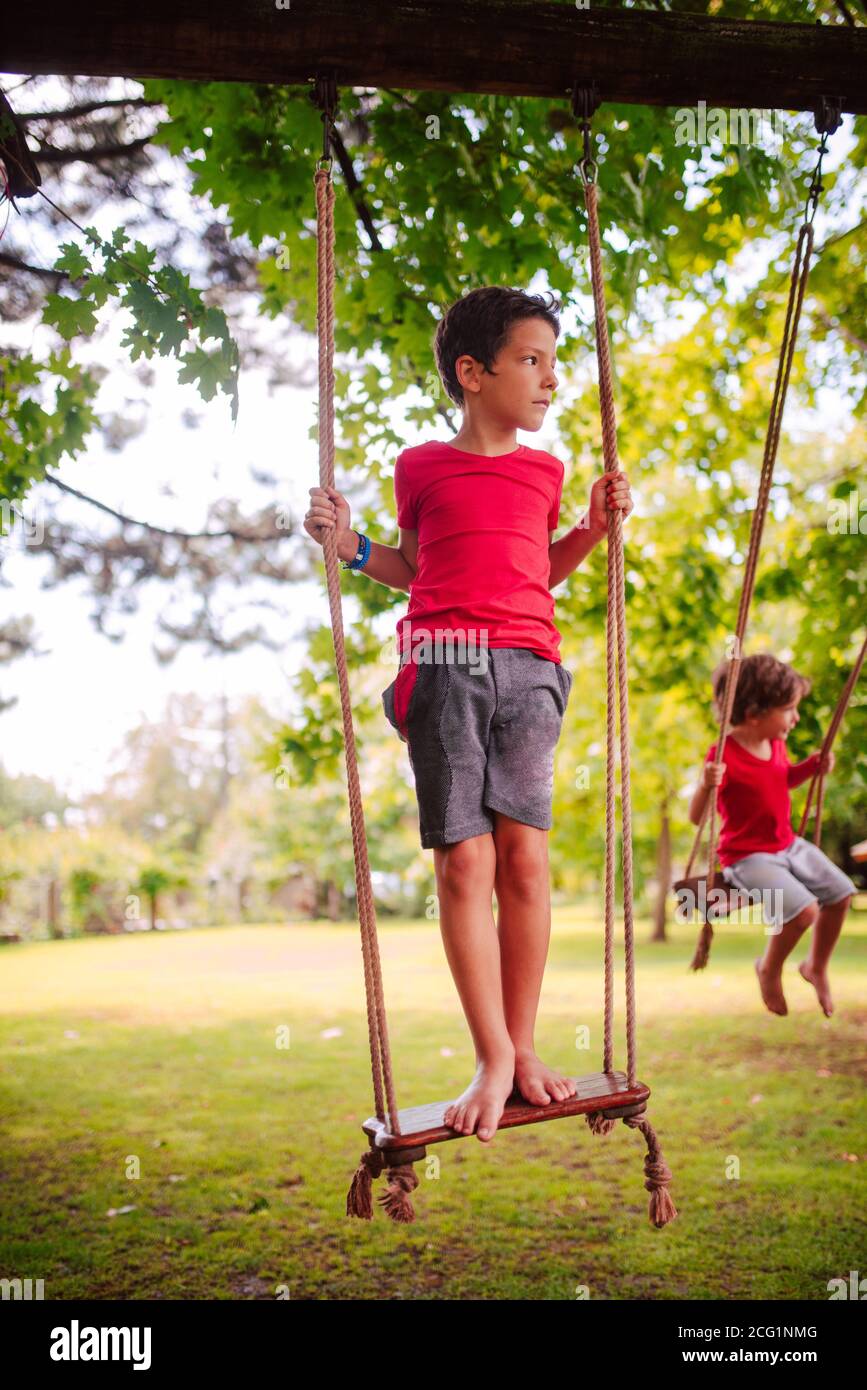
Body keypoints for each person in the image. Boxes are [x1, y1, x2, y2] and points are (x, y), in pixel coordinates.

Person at [305, 285, 632, 1143]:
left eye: (553, 364)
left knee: (524, 861)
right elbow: (416, 566)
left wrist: (593, 530)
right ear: (472, 373)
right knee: (465, 864)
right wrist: (348, 545)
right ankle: (491, 1054)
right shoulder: (420, 466)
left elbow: (537, 573)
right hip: (445, 663)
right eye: (532, 360)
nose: (550, 380)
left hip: (530, 667)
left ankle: (521, 1050)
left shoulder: (546, 471)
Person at [688, 652, 856, 1018]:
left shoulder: (775, 744)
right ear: (754, 714)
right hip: (748, 856)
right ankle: (769, 967)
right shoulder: (723, 754)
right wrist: (705, 784)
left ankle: (816, 967)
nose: (795, 718)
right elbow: (695, 816)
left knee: (842, 894)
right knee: (803, 912)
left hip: (787, 845)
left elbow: (779, 780)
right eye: (789, 710)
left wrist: (809, 769)